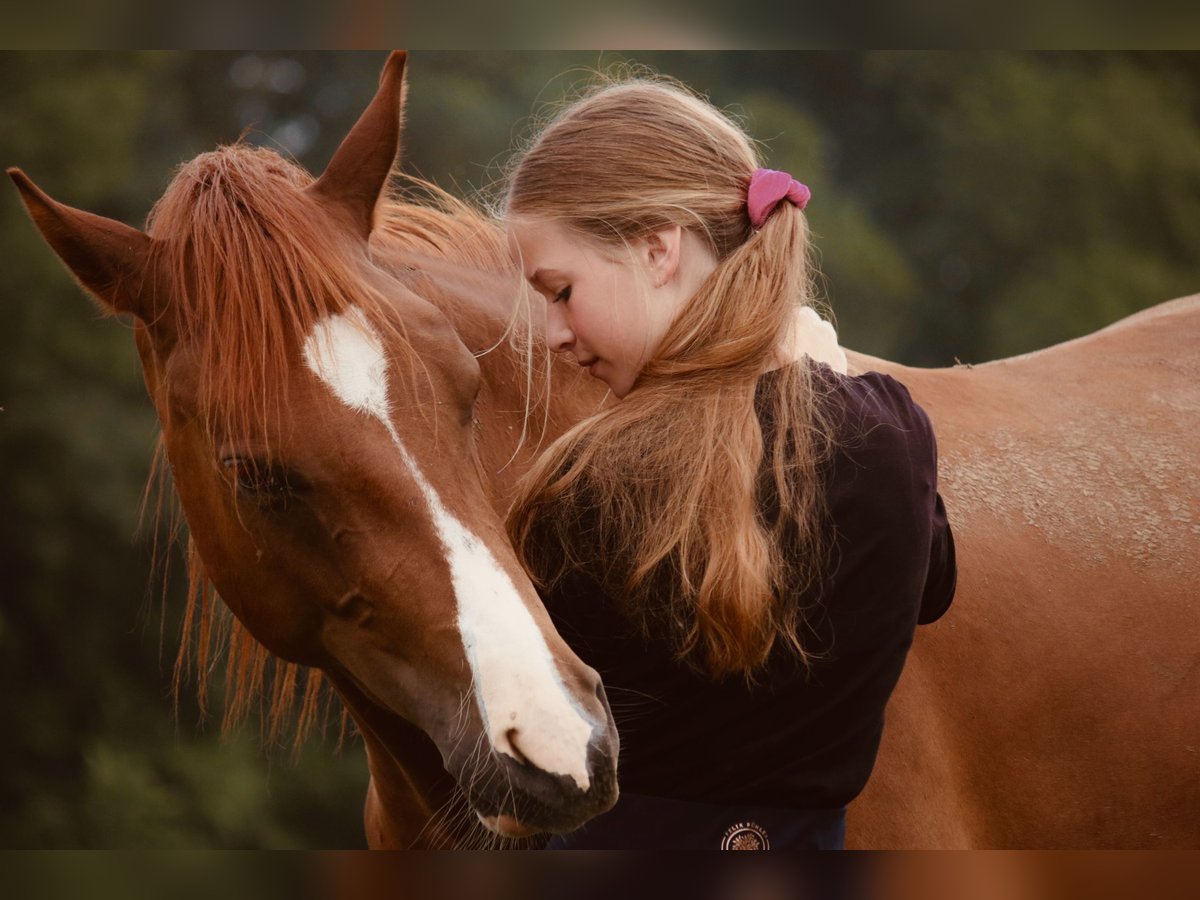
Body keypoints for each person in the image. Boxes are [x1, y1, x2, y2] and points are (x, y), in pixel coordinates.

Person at [501, 73, 956, 850]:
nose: (552, 333)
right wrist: (827, 382)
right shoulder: (892, 436)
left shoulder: (583, 492)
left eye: (561, 290)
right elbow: (935, 586)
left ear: (657, 247)